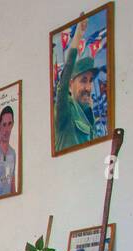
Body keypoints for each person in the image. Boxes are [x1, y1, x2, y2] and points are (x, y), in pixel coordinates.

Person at [54, 19, 99, 153]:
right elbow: (65, 76)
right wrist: (78, 35)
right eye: (83, 80)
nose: (88, 87)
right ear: (70, 85)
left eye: (90, 81)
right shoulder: (65, 110)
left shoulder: (89, 116)